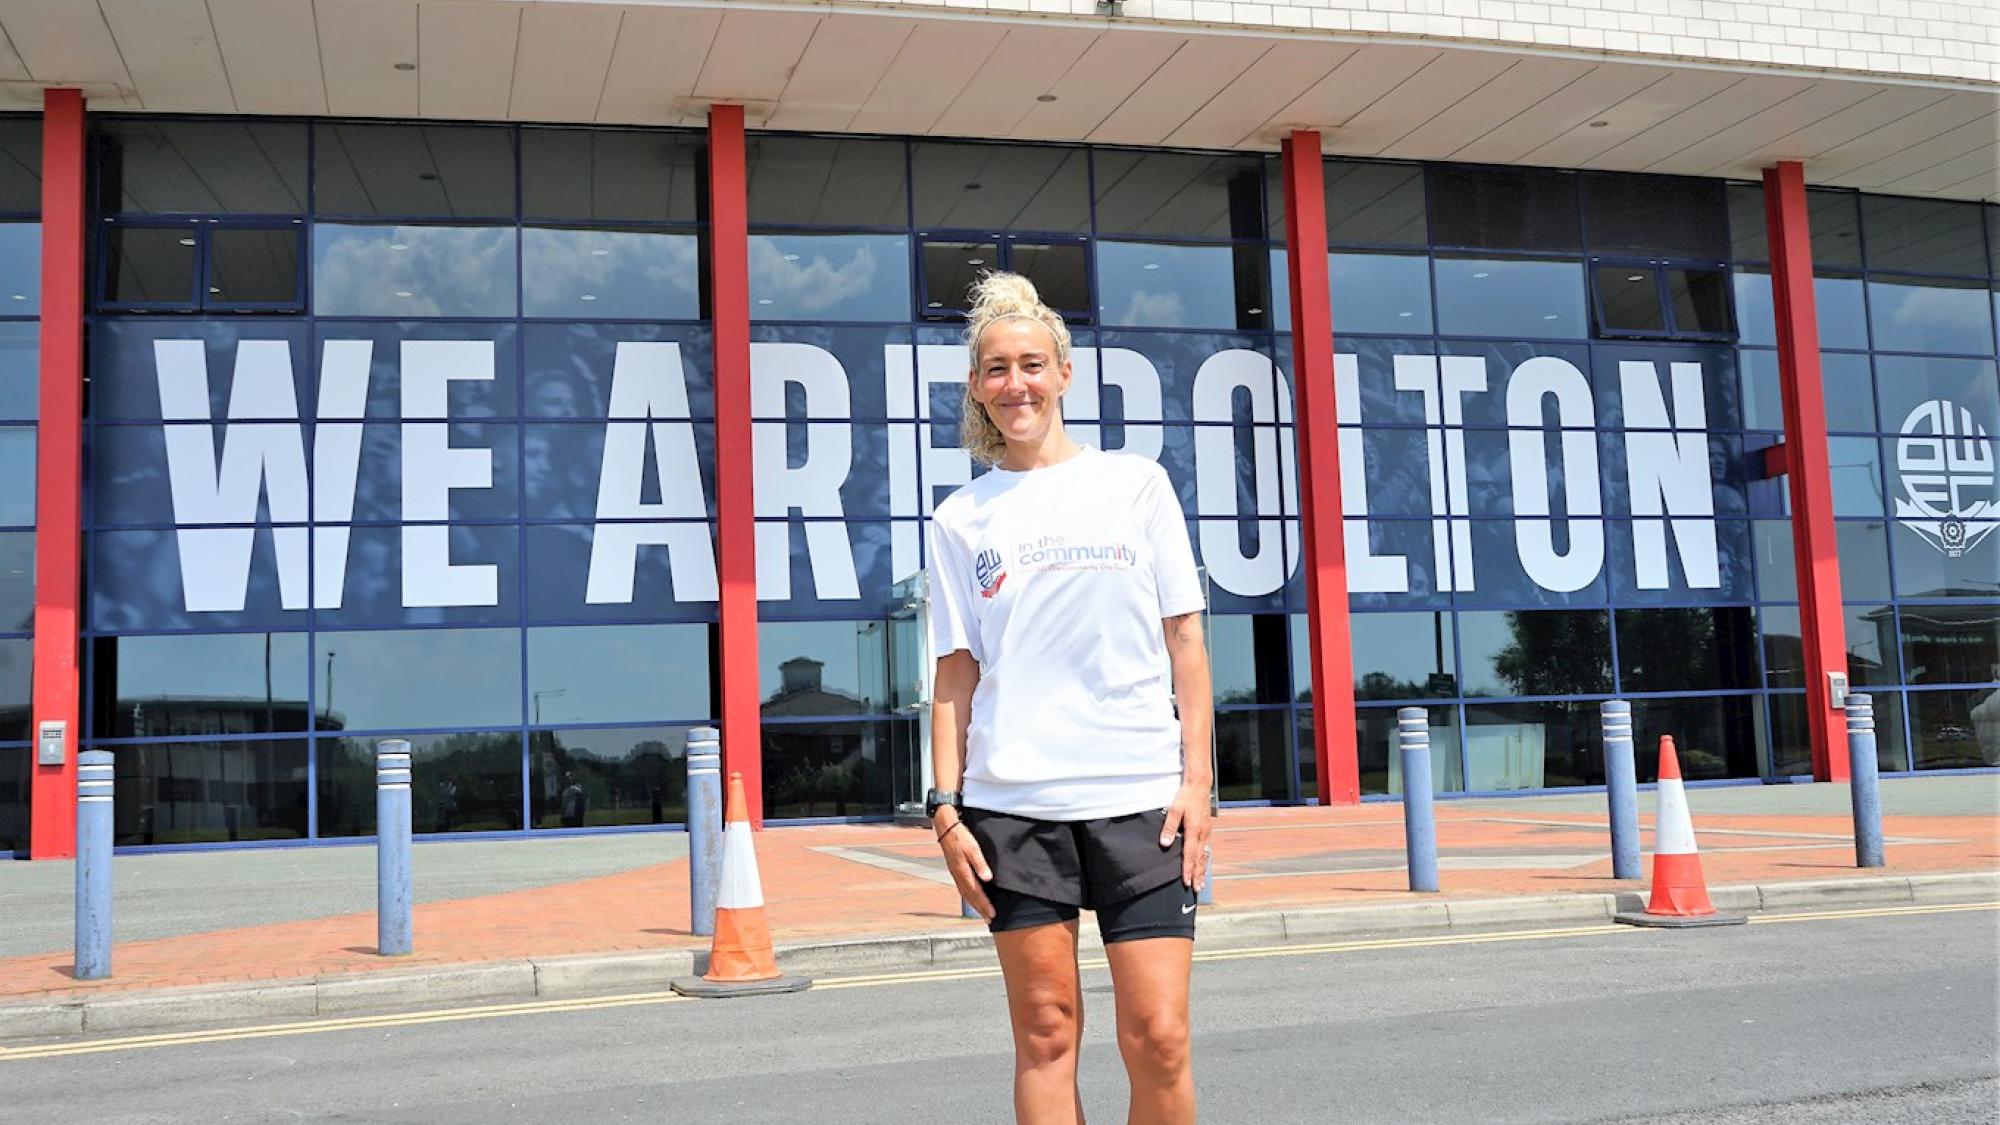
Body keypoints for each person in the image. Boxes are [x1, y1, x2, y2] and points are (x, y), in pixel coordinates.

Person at [926, 272, 1214, 1125]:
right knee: (1046, 1033)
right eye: (996, 369)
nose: (1016, 383)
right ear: (979, 388)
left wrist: (1198, 781)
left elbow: (1187, 642)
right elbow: (952, 675)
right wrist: (945, 809)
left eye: (1032, 364)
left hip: (1139, 798)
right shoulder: (961, 518)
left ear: (1064, 372)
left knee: (1159, 1034)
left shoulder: (1136, 485)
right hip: (1014, 808)